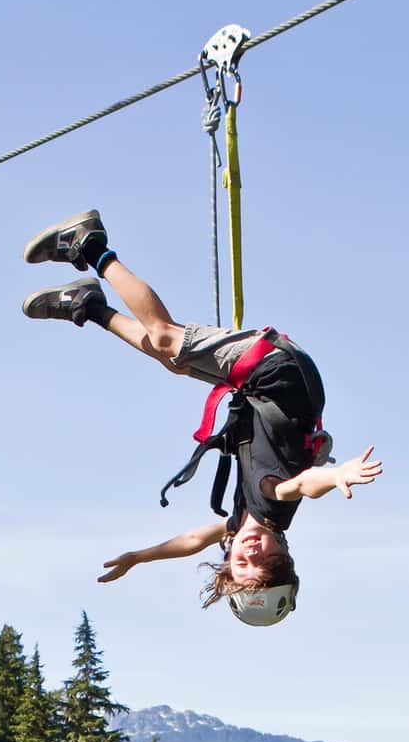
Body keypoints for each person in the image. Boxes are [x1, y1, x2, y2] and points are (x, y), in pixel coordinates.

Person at [22, 210, 382, 626]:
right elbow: (302, 485)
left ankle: (88, 305)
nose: (252, 555)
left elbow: (193, 539)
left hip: (264, 381)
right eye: (266, 561)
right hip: (275, 370)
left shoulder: (240, 523)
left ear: (227, 564)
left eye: (243, 567)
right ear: (285, 553)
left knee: (170, 359)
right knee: (164, 335)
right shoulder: (274, 503)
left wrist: (141, 557)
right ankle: (89, 244)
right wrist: (337, 479)